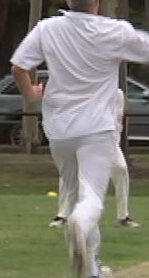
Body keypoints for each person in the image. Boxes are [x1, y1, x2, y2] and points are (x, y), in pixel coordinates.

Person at [10, 0, 149, 278]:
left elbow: (18, 66)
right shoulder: (113, 30)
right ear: (97, 1)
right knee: (91, 201)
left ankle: (94, 273)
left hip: (58, 129)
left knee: (78, 198)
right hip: (97, 128)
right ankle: (79, 226)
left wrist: (31, 94)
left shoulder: (48, 28)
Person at [49, 90, 141, 229]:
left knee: (121, 169)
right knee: (69, 172)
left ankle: (123, 217)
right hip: (81, 138)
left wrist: (113, 141)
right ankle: (63, 215)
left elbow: (118, 122)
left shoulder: (117, 94)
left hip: (107, 141)